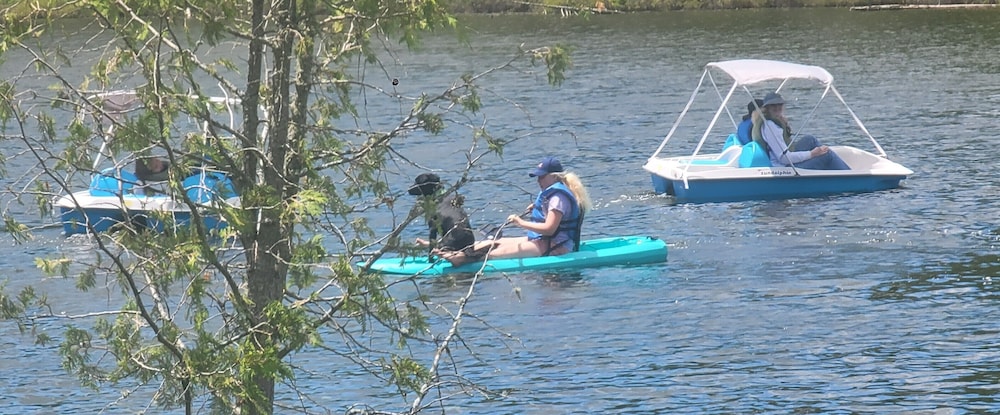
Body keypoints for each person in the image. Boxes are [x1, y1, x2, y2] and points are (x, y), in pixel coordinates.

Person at [437, 156, 592, 267]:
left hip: (557, 246)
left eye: (542, 177)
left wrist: (521, 223)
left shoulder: (558, 198)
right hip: (541, 241)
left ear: (554, 177)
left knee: (497, 253)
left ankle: (461, 259)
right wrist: (537, 208)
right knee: (492, 242)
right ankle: (453, 249)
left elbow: (549, 229)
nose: (538, 180)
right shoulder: (554, 195)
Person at [751, 92, 851, 170]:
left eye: (779, 104)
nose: (777, 108)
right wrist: (812, 154)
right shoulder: (770, 126)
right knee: (827, 154)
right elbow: (784, 158)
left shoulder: (770, 121)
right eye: (773, 106)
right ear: (767, 108)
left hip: (784, 160)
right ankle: (848, 175)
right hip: (783, 167)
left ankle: (832, 169)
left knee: (809, 139)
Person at [407, 173, 476, 257]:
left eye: (417, 185)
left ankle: (449, 254)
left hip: (453, 244)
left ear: (425, 188)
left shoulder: (433, 207)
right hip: (470, 241)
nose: (412, 188)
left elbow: (433, 235)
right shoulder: (452, 199)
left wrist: (430, 259)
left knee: (442, 245)